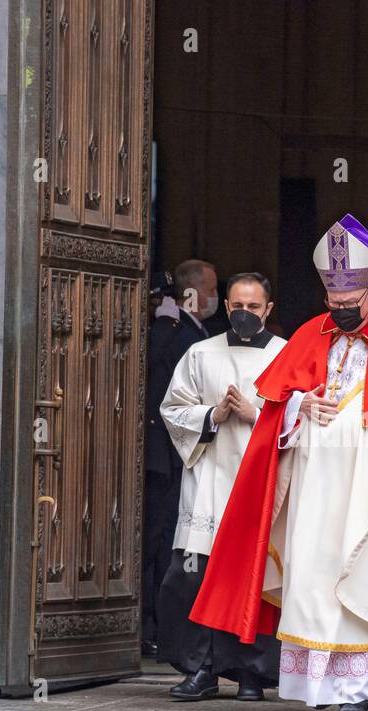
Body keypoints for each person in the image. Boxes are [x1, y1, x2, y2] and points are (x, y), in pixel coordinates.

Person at [190, 214, 368, 711]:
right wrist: (300, 408)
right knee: (313, 577)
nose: (341, 314)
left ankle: (357, 691)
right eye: (334, 305)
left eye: (350, 306)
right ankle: (316, 685)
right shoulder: (313, 334)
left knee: (360, 581)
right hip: (314, 483)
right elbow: (275, 408)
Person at [157, 272, 286, 701]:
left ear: (268, 309)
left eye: (254, 307)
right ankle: (203, 668)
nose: (244, 313)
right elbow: (173, 409)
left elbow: (308, 420)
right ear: (226, 307)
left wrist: (255, 414)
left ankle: (252, 673)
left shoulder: (287, 357)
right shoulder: (200, 354)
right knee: (196, 577)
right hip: (210, 481)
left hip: (261, 484)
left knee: (255, 579)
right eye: (237, 306)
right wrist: (213, 415)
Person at [143, 262, 217, 658]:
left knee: (167, 540)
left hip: (183, 454)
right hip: (164, 453)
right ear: (192, 293)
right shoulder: (174, 330)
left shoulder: (194, 331)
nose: (215, 299)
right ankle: (149, 627)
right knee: (157, 543)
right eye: (212, 290)